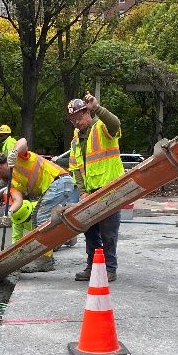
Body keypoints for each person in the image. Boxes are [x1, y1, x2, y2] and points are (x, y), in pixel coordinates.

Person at [0, 140, 77, 273]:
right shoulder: (11, 182)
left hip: (59, 181)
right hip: (51, 188)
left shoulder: (17, 158)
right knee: (36, 219)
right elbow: (18, 200)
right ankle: (63, 238)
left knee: (42, 219)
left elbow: (23, 142)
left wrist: (14, 152)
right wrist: (9, 212)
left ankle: (46, 261)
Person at [67, 95, 124, 282]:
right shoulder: (76, 138)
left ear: (87, 112)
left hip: (110, 187)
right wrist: (82, 192)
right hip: (90, 192)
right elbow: (76, 168)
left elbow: (115, 125)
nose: (76, 123)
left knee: (108, 232)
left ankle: (110, 268)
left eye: (79, 118)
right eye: (73, 120)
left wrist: (98, 107)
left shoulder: (101, 127)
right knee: (90, 231)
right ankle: (92, 266)